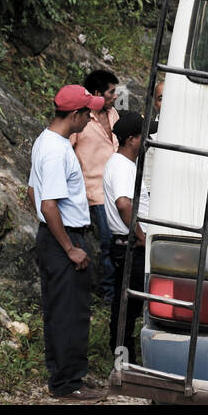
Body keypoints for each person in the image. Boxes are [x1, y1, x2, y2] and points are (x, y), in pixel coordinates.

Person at [30, 84, 106, 400]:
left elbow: (34, 191)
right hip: (63, 239)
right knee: (66, 313)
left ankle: (72, 377)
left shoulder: (50, 142)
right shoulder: (54, 150)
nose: (91, 118)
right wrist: (69, 247)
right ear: (74, 114)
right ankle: (66, 384)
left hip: (58, 236)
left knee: (69, 310)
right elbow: (48, 205)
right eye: (87, 113)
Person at [104, 111, 151, 366]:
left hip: (128, 242)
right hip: (131, 244)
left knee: (128, 304)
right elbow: (123, 204)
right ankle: (124, 359)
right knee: (129, 307)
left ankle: (125, 356)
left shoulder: (124, 164)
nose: (147, 139)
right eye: (143, 135)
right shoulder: (122, 166)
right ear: (132, 139)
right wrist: (142, 235)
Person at [70, 70, 120, 305]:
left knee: (121, 242)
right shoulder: (81, 119)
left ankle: (119, 291)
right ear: (98, 94)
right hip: (96, 192)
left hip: (119, 190)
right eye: (111, 91)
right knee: (107, 243)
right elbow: (67, 150)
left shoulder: (113, 115)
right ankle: (109, 295)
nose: (116, 96)